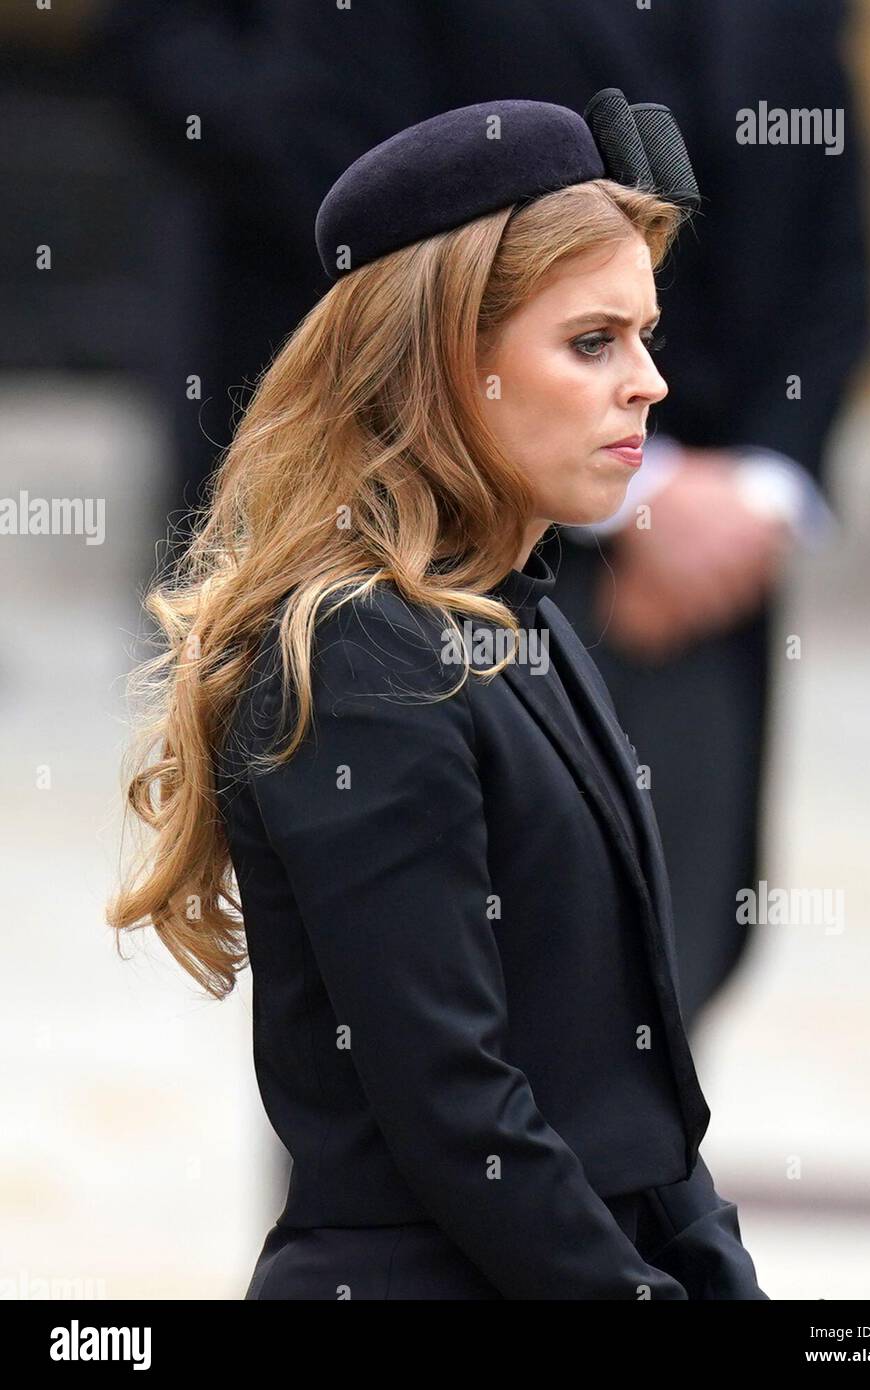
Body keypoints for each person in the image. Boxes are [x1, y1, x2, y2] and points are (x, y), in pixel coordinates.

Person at [107, 89, 768, 1299]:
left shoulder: (527, 624)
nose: (649, 385)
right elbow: (459, 1114)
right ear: (451, 366)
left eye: (646, 336)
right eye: (591, 341)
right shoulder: (362, 661)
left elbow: (638, 1105)